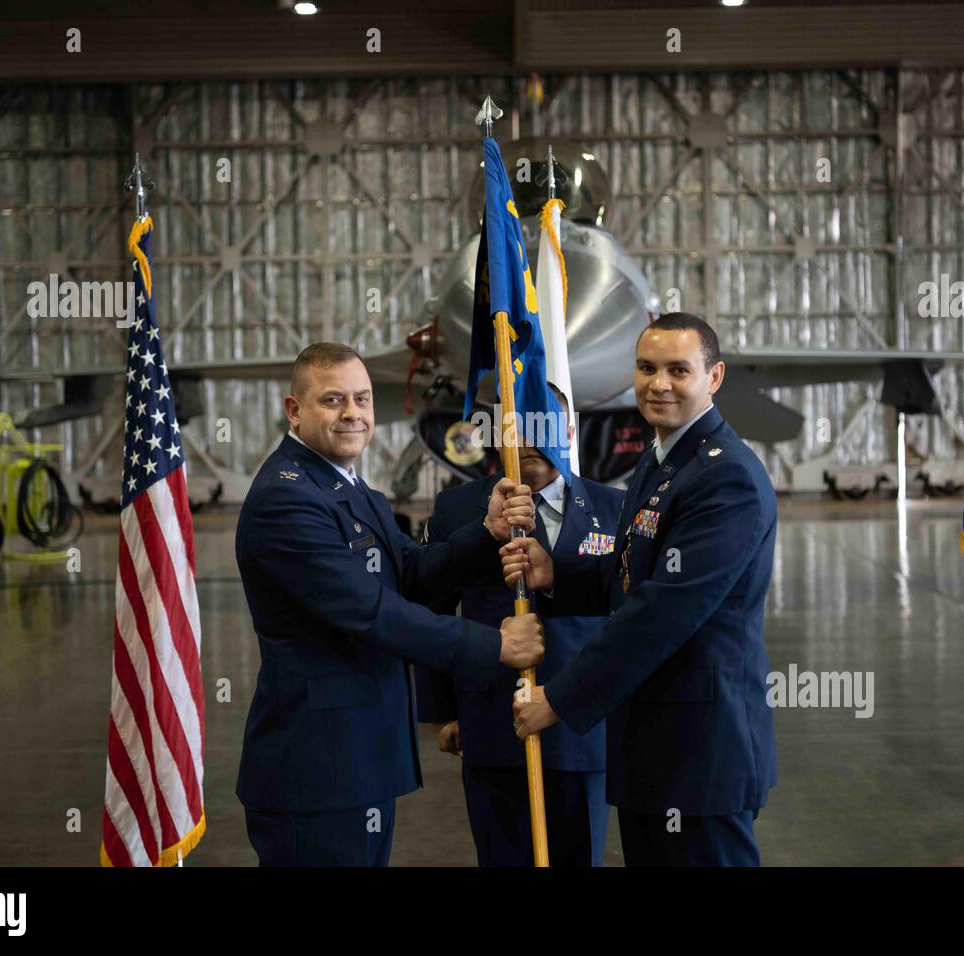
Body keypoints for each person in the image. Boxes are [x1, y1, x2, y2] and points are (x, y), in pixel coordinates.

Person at [235, 342, 543, 867]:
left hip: (356, 757)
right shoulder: (286, 500)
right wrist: (493, 645)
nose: (352, 413)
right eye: (333, 400)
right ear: (294, 410)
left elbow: (411, 576)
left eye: (362, 399)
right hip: (318, 766)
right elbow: (373, 613)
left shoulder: (348, 488)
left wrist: (487, 533)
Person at [503, 313, 778, 867]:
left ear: (714, 377)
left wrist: (558, 699)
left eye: (679, 370)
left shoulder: (726, 478)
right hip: (652, 744)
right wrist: (555, 573)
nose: (659, 383)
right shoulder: (661, 464)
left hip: (701, 748)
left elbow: (663, 610)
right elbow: (633, 573)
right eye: (647, 368)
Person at [414, 385, 623, 866]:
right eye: (515, 426)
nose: (528, 438)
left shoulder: (615, 510)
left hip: (583, 730)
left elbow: (630, 620)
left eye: (544, 425)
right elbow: (432, 609)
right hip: (492, 724)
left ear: (569, 432)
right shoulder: (460, 510)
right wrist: (443, 711)